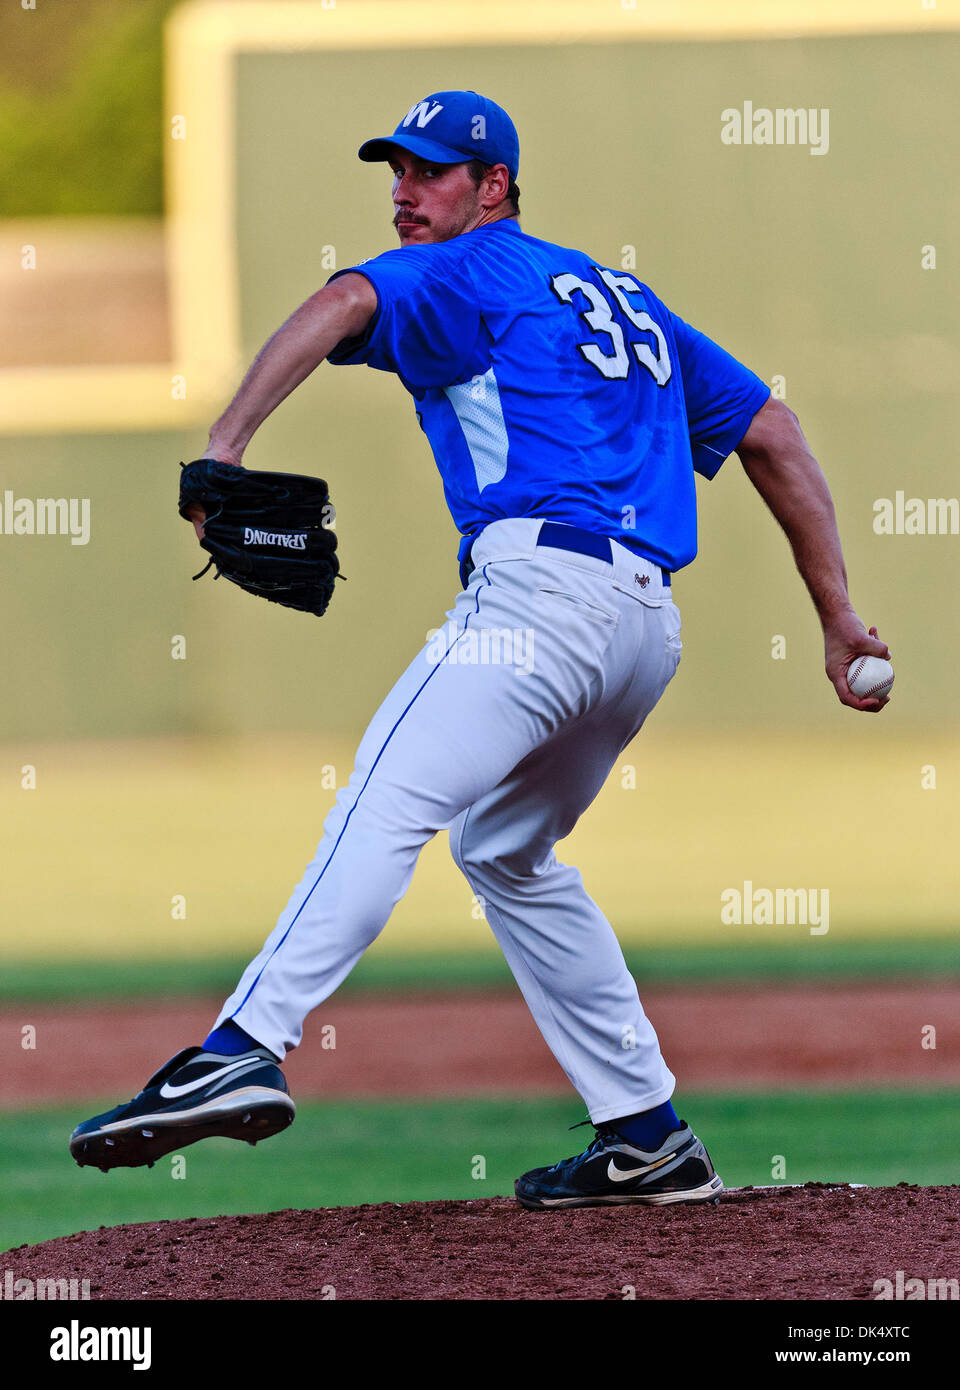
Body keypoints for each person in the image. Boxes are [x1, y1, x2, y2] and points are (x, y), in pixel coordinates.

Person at [71, 91, 890, 1208]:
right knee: (504, 848)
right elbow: (773, 432)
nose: (407, 193)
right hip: (643, 630)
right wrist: (837, 614)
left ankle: (239, 1047)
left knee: (380, 796)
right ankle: (645, 1131)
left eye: (431, 172)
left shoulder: (468, 270)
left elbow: (343, 297)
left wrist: (225, 443)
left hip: (538, 601)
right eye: (395, 172)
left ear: (493, 185)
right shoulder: (622, 293)